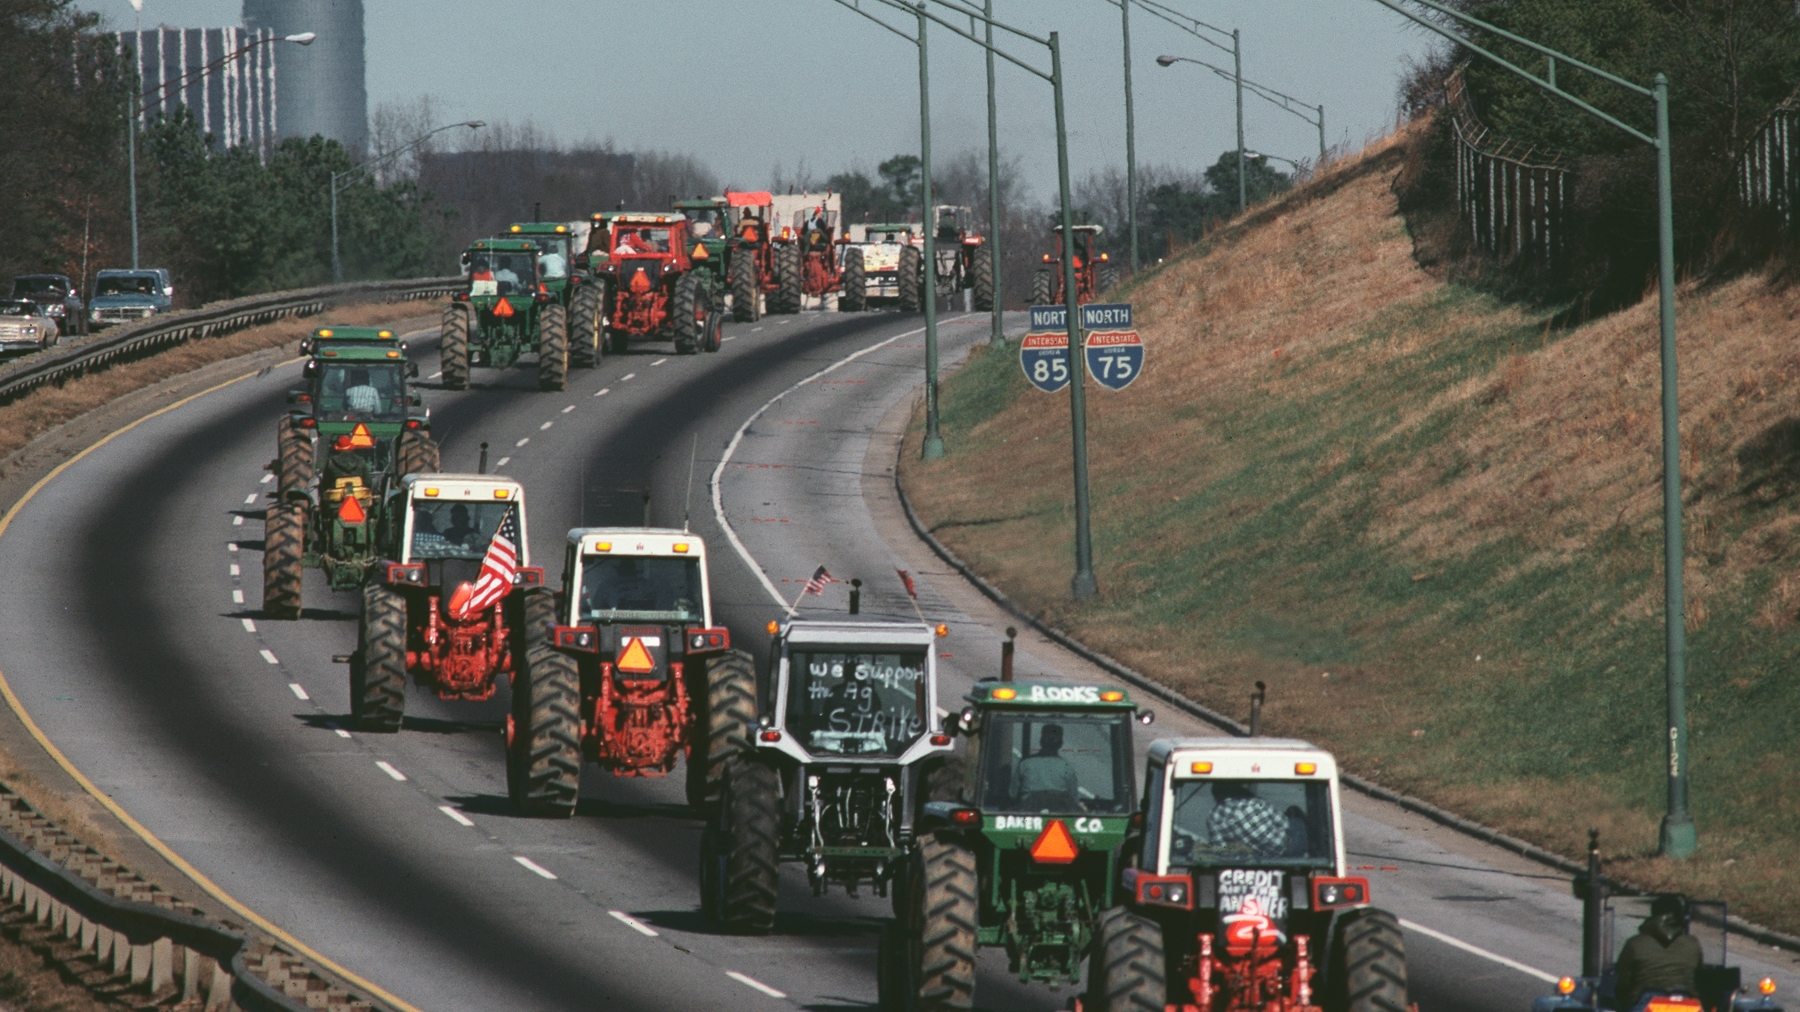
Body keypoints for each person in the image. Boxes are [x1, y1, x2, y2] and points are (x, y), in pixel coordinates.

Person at [1614, 896, 1702, 1012]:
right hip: (1685, 1003)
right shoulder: (1692, 944)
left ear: (1653, 915)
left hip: (1644, 1003)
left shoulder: (1635, 943)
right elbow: (1700, 978)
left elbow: (1623, 983)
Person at [1205, 781, 1286, 855]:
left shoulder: (1213, 816)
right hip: (1284, 848)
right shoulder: (1255, 802)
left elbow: (1220, 846)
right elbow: (1284, 823)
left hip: (1258, 857)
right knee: (1293, 811)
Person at [1014, 724, 1080, 810]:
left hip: (1029, 814)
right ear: (1060, 744)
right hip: (1059, 814)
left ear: (1041, 741)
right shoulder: (1067, 767)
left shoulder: (1025, 764)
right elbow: (1073, 798)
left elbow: (1013, 793)